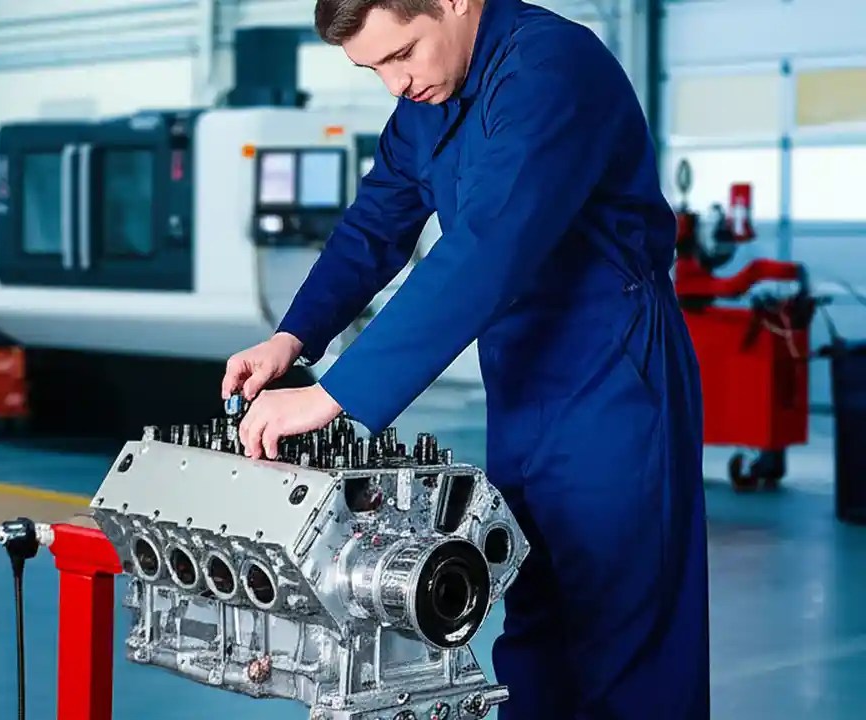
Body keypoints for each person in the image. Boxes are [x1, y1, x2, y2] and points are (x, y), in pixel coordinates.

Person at [220, 0, 710, 718]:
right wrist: (291, 338)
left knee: (623, 624)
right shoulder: (431, 93)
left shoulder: (550, 67)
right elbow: (375, 223)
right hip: (524, 374)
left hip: (614, 369)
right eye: (374, 68)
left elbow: (487, 249)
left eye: (401, 54)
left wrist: (332, 396)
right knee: (536, 614)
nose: (395, 82)